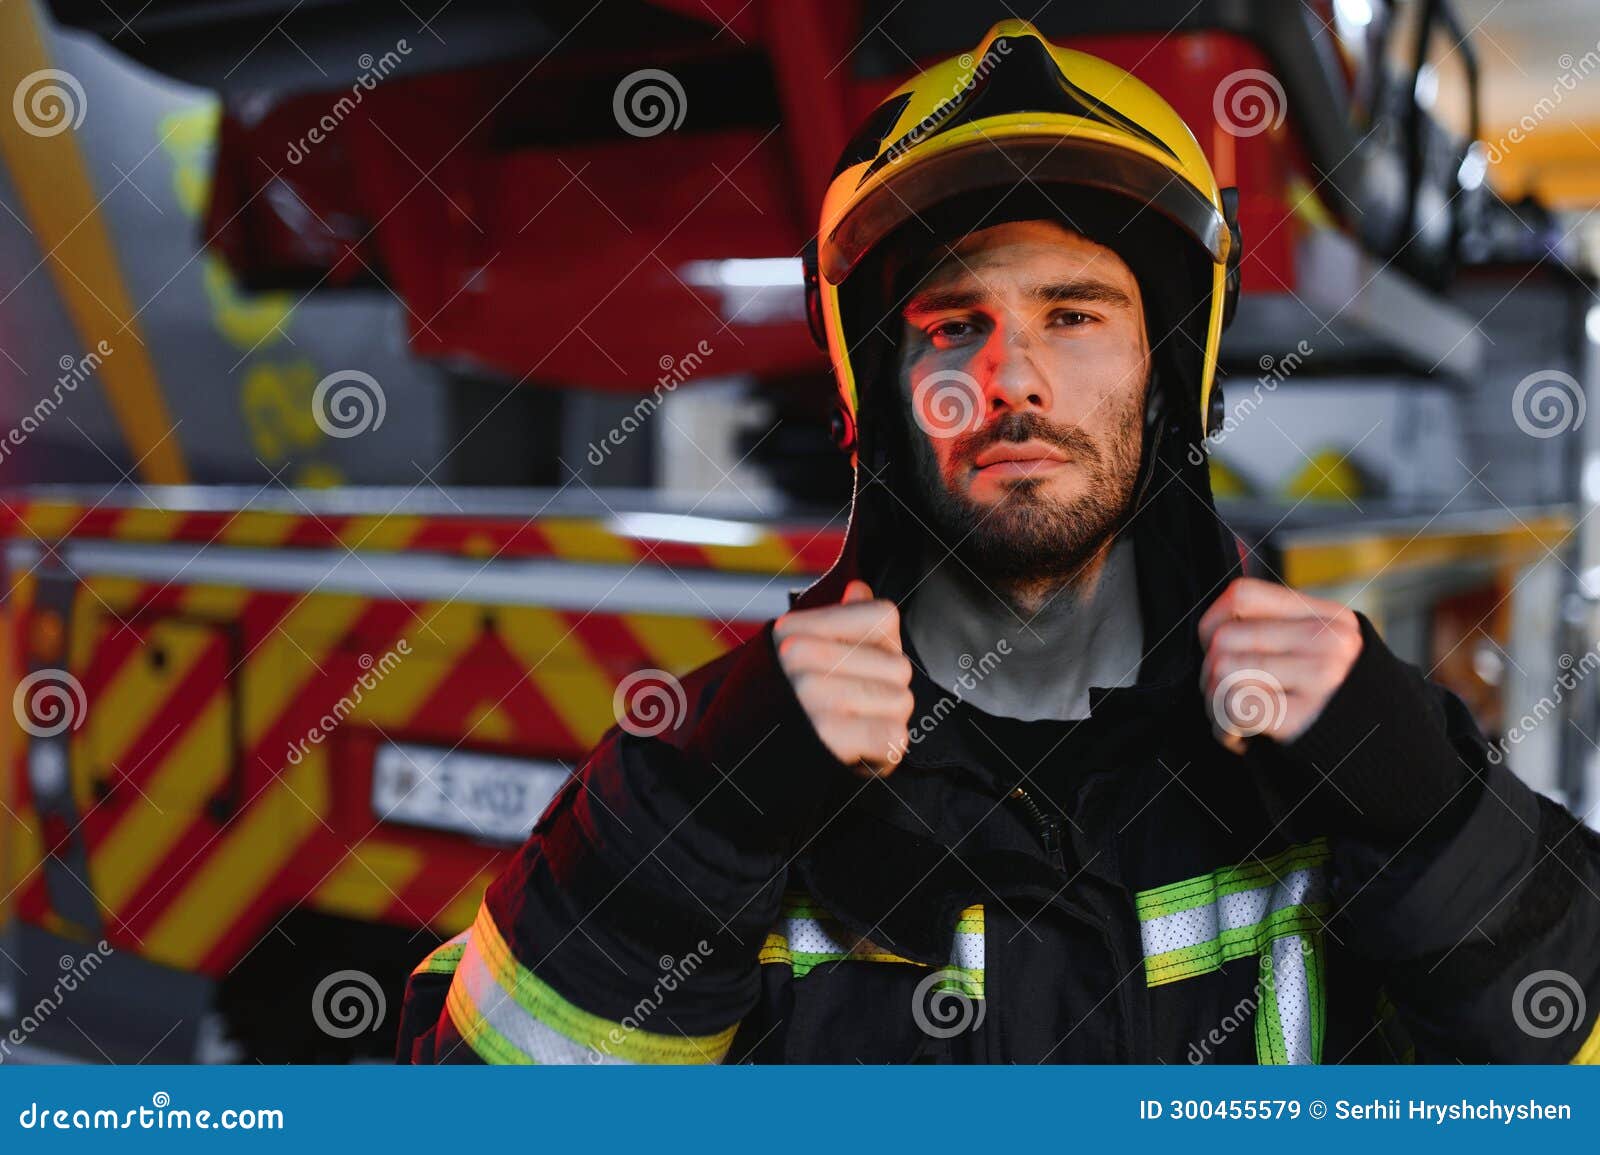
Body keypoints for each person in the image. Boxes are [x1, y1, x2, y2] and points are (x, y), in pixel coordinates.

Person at [396, 19, 1600, 1064]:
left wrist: (1435, 813)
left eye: (1074, 316)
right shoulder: (719, 781)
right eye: (953, 323)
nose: (1009, 377)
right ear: (879, 389)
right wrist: (694, 822)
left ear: (1168, 376)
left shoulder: (1337, 774)